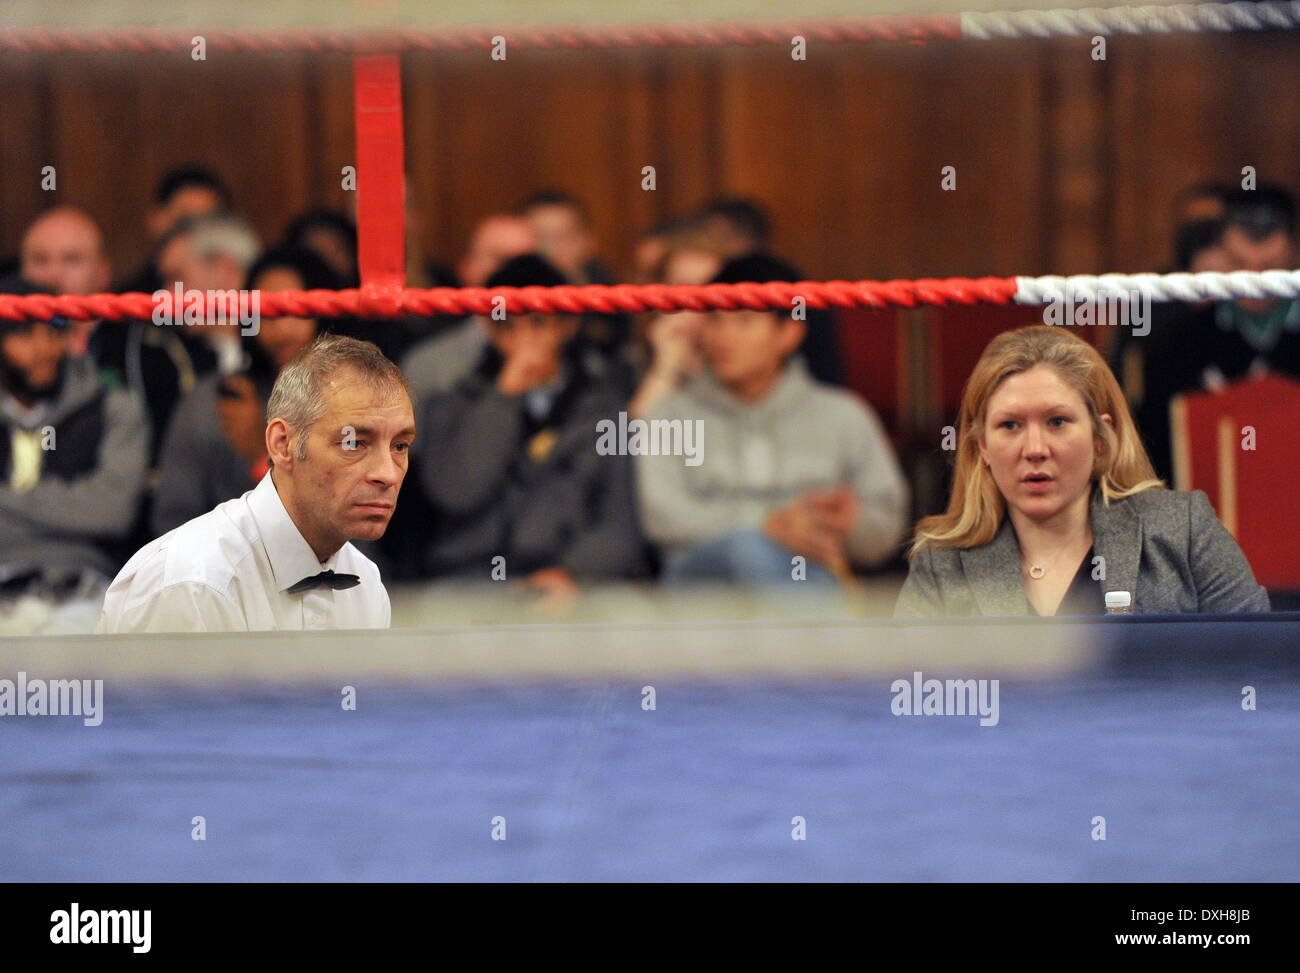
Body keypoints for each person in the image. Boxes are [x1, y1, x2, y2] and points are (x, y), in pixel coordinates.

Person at [895, 326, 1270, 617]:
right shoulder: (941, 562)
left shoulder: (1183, 530)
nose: (1035, 449)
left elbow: (1260, 666)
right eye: (1010, 425)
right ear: (983, 448)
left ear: (1099, 438)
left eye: (1057, 421)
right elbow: (907, 697)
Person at [96, 335, 415, 633]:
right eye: (355, 443)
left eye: (400, 446)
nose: (387, 474)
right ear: (282, 444)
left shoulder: (367, 585)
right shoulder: (190, 584)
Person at [636, 253, 907, 586]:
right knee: (754, 551)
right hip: (700, 589)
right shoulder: (671, 414)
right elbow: (661, 519)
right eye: (716, 320)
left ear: (790, 332)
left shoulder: (844, 415)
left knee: (800, 569)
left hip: (814, 574)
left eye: (744, 320)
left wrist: (852, 523)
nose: (724, 336)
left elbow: (885, 531)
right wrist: (768, 525)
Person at [414, 255, 645, 608]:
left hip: (571, 577)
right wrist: (504, 396)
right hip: (473, 577)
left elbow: (619, 523)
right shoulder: (451, 402)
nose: (523, 342)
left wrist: (570, 574)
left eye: (538, 323)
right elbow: (455, 492)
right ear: (489, 330)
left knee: (630, 610)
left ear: (568, 325)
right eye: (508, 326)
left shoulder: (605, 409)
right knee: (438, 609)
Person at [150, 247, 339, 535]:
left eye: (297, 312)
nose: (282, 329)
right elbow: (173, 521)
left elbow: (344, 531)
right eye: (268, 315)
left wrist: (260, 452)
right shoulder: (214, 402)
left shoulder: (357, 400)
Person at [0, 279, 148, 634]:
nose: (43, 349)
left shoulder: (114, 407)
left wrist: (5, 500)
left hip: (84, 590)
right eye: (24, 334)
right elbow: (91, 507)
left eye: (54, 331)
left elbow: (112, 511)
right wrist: (66, 509)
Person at [17, 206, 113, 356]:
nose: (53, 275)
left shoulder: (140, 344)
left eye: (71, 259)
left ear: (103, 273)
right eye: (40, 260)